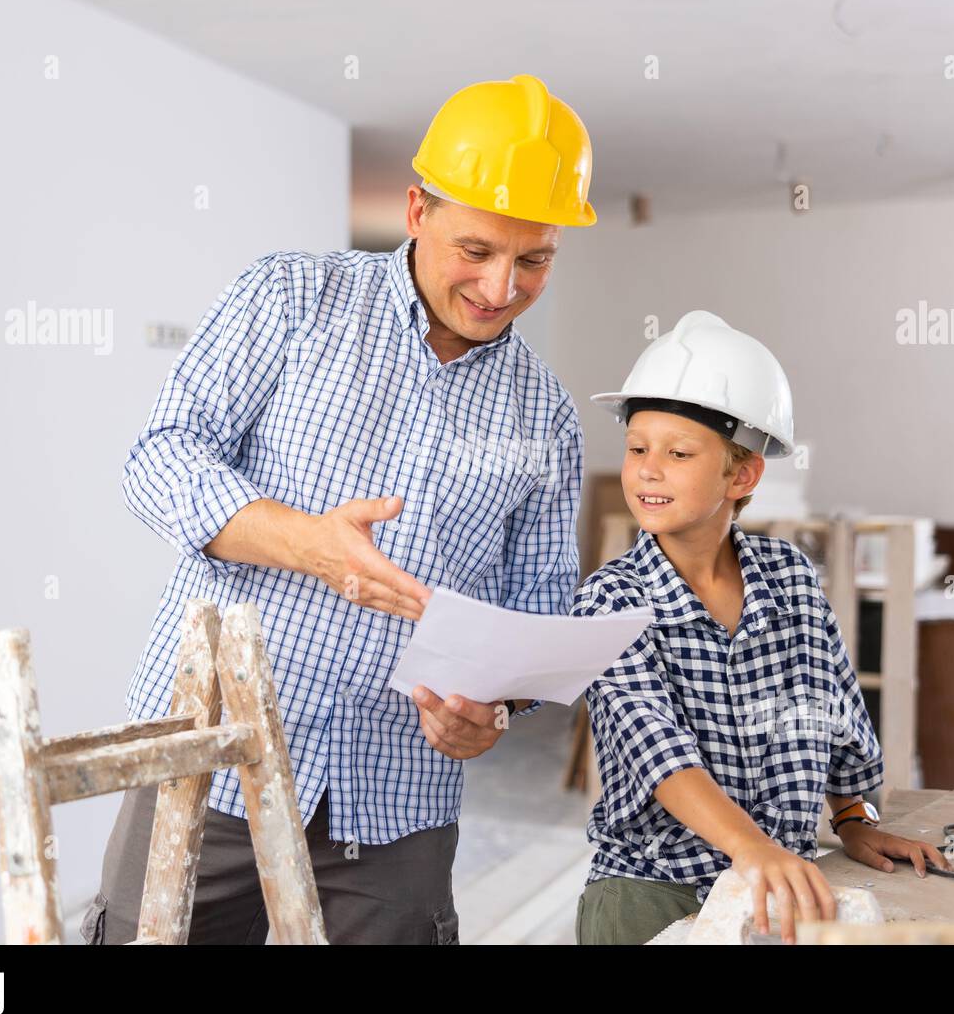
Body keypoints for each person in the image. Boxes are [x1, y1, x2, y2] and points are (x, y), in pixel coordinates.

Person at [82, 74, 597, 945]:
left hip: (395, 799)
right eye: (475, 249)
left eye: (534, 259)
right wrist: (306, 544)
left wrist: (498, 712)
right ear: (415, 211)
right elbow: (158, 458)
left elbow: (543, 601)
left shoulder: (545, 412)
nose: (501, 287)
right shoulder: (291, 299)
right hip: (210, 761)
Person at [572, 310, 950, 945]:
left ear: (742, 474)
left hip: (776, 887)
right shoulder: (612, 598)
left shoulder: (791, 578)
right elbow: (657, 754)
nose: (646, 470)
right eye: (636, 448)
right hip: (652, 891)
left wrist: (854, 819)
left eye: (678, 452)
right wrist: (754, 850)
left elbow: (838, 714)